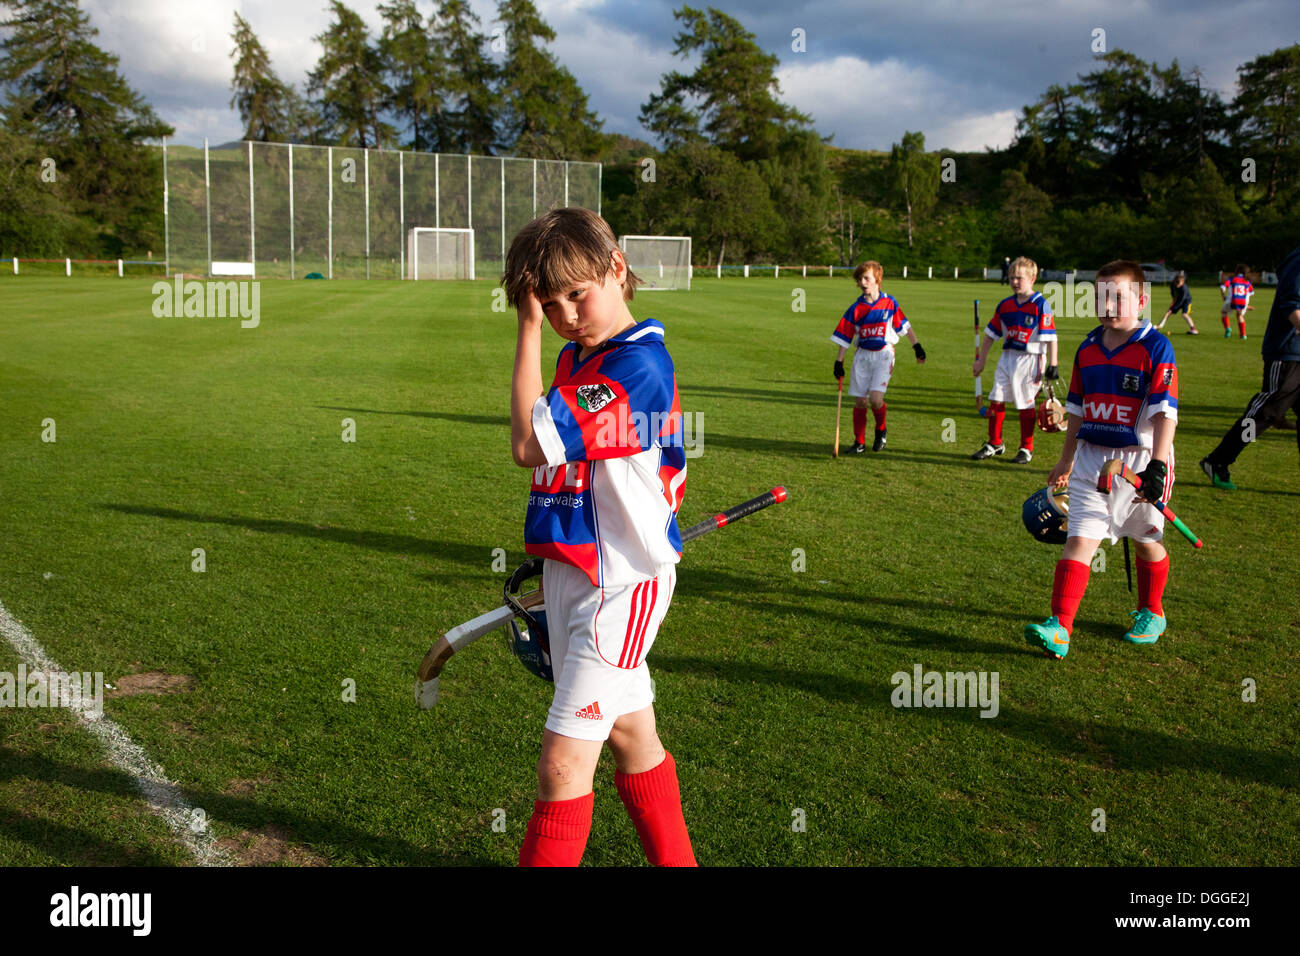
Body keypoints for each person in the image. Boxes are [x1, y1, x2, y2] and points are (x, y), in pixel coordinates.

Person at [505, 207, 695, 867]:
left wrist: (526, 327)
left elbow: (529, 445)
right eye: (549, 305)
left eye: (576, 295)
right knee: (633, 737)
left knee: (562, 767)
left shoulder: (634, 368)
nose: (566, 315)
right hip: (581, 573)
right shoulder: (578, 360)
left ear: (617, 268)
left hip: (619, 587)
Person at [1023, 260, 1178, 660]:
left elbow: (1165, 414)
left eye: (1118, 297)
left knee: (1147, 540)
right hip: (1092, 460)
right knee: (1079, 541)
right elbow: (1077, 411)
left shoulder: (1155, 346)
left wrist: (1157, 468)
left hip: (1138, 461)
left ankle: (1152, 611)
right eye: (1101, 296)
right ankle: (1060, 627)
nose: (1108, 304)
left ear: (1141, 300)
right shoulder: (1088, 347)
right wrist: (1065, 459)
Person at [1200, 245, 1300, 490]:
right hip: (1288, 354)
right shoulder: (1298, 260)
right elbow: (1291, 303)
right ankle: (1218, 460)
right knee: (1263, 414)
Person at [831, 261, 926, 453]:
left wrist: (917, 346)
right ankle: (859, 443)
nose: (862, 282)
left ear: (877, 279)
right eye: (859, 279)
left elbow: (904, 327)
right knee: (860, 402)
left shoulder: (889, 303)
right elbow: (845, 336)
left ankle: (881, 430)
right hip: (862, 357)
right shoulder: (855, 308)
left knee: (875, 399)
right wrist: (838, 361)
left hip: (883, 355)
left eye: (866, 278)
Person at [971, 256, 1059, 464]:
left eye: (1019, 277)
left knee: (1025, 403)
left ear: (1032, 278)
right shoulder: (1005, 305)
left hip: (1031, 359)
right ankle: (995, 443)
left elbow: (1051, 337)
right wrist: (981, 360)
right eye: (1012, 277)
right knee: (996, 399)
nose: (1014, 281)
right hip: (1007, 357)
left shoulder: (1040, 305)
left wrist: (1053, 364)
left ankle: (1026, 448)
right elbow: (990, 335)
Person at [1220, 265, 1254, 339]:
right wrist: (1247, 305)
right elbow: (1251, 293)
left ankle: (1227, 328)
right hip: (1243, 302)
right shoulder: (1247, 282)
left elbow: (1222, 287)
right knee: (1239, 316)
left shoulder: (1232, 279)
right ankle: (1243, 335)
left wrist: (1223, 296)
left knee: (1223, 312)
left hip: (1231, 301)